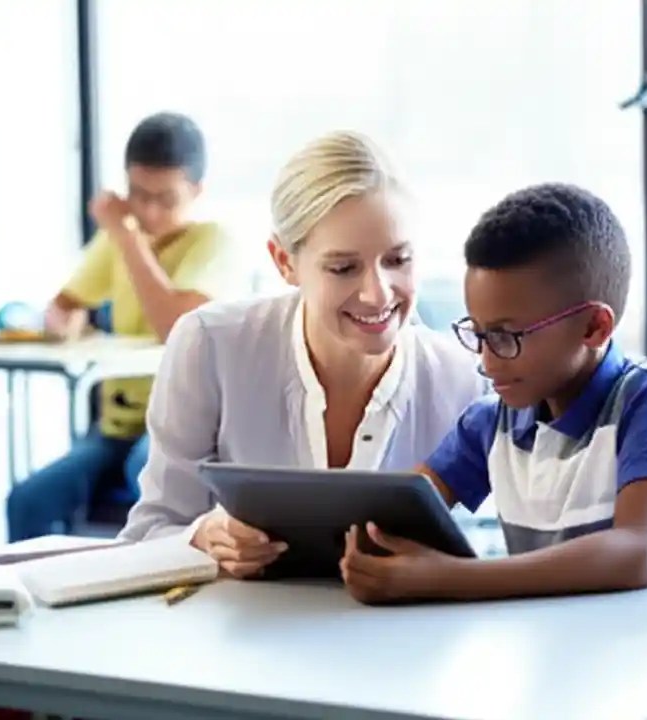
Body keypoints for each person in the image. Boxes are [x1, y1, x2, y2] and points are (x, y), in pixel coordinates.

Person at [117, 130, 487, 580]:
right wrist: (202, 538)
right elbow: (146, 534)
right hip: (239, 622)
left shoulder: (463, 378)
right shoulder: (210, 345)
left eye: (398, 260)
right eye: (343, 268)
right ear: (284, 262)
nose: (377, 294)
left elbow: (487, 548)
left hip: (402, 624)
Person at [338, 183, 647, 604]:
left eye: (505, 336)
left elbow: (634, 554)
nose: (486, 361)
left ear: (594, 327)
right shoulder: (489, 422)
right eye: (478, 334)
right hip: (551, 638)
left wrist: (448, 578)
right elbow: (390, 513)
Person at [6, 112, 235, 540]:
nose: (148, 211)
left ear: (196, 191)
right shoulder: (117, 239)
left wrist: (127, 237)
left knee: (144, 471)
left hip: (183, 428)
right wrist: (69, 322)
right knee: (27, 500)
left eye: (165, 199)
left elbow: (175, 327)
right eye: (137, 195)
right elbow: (63, 305)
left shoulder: (213, 243)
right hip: (116, 430)